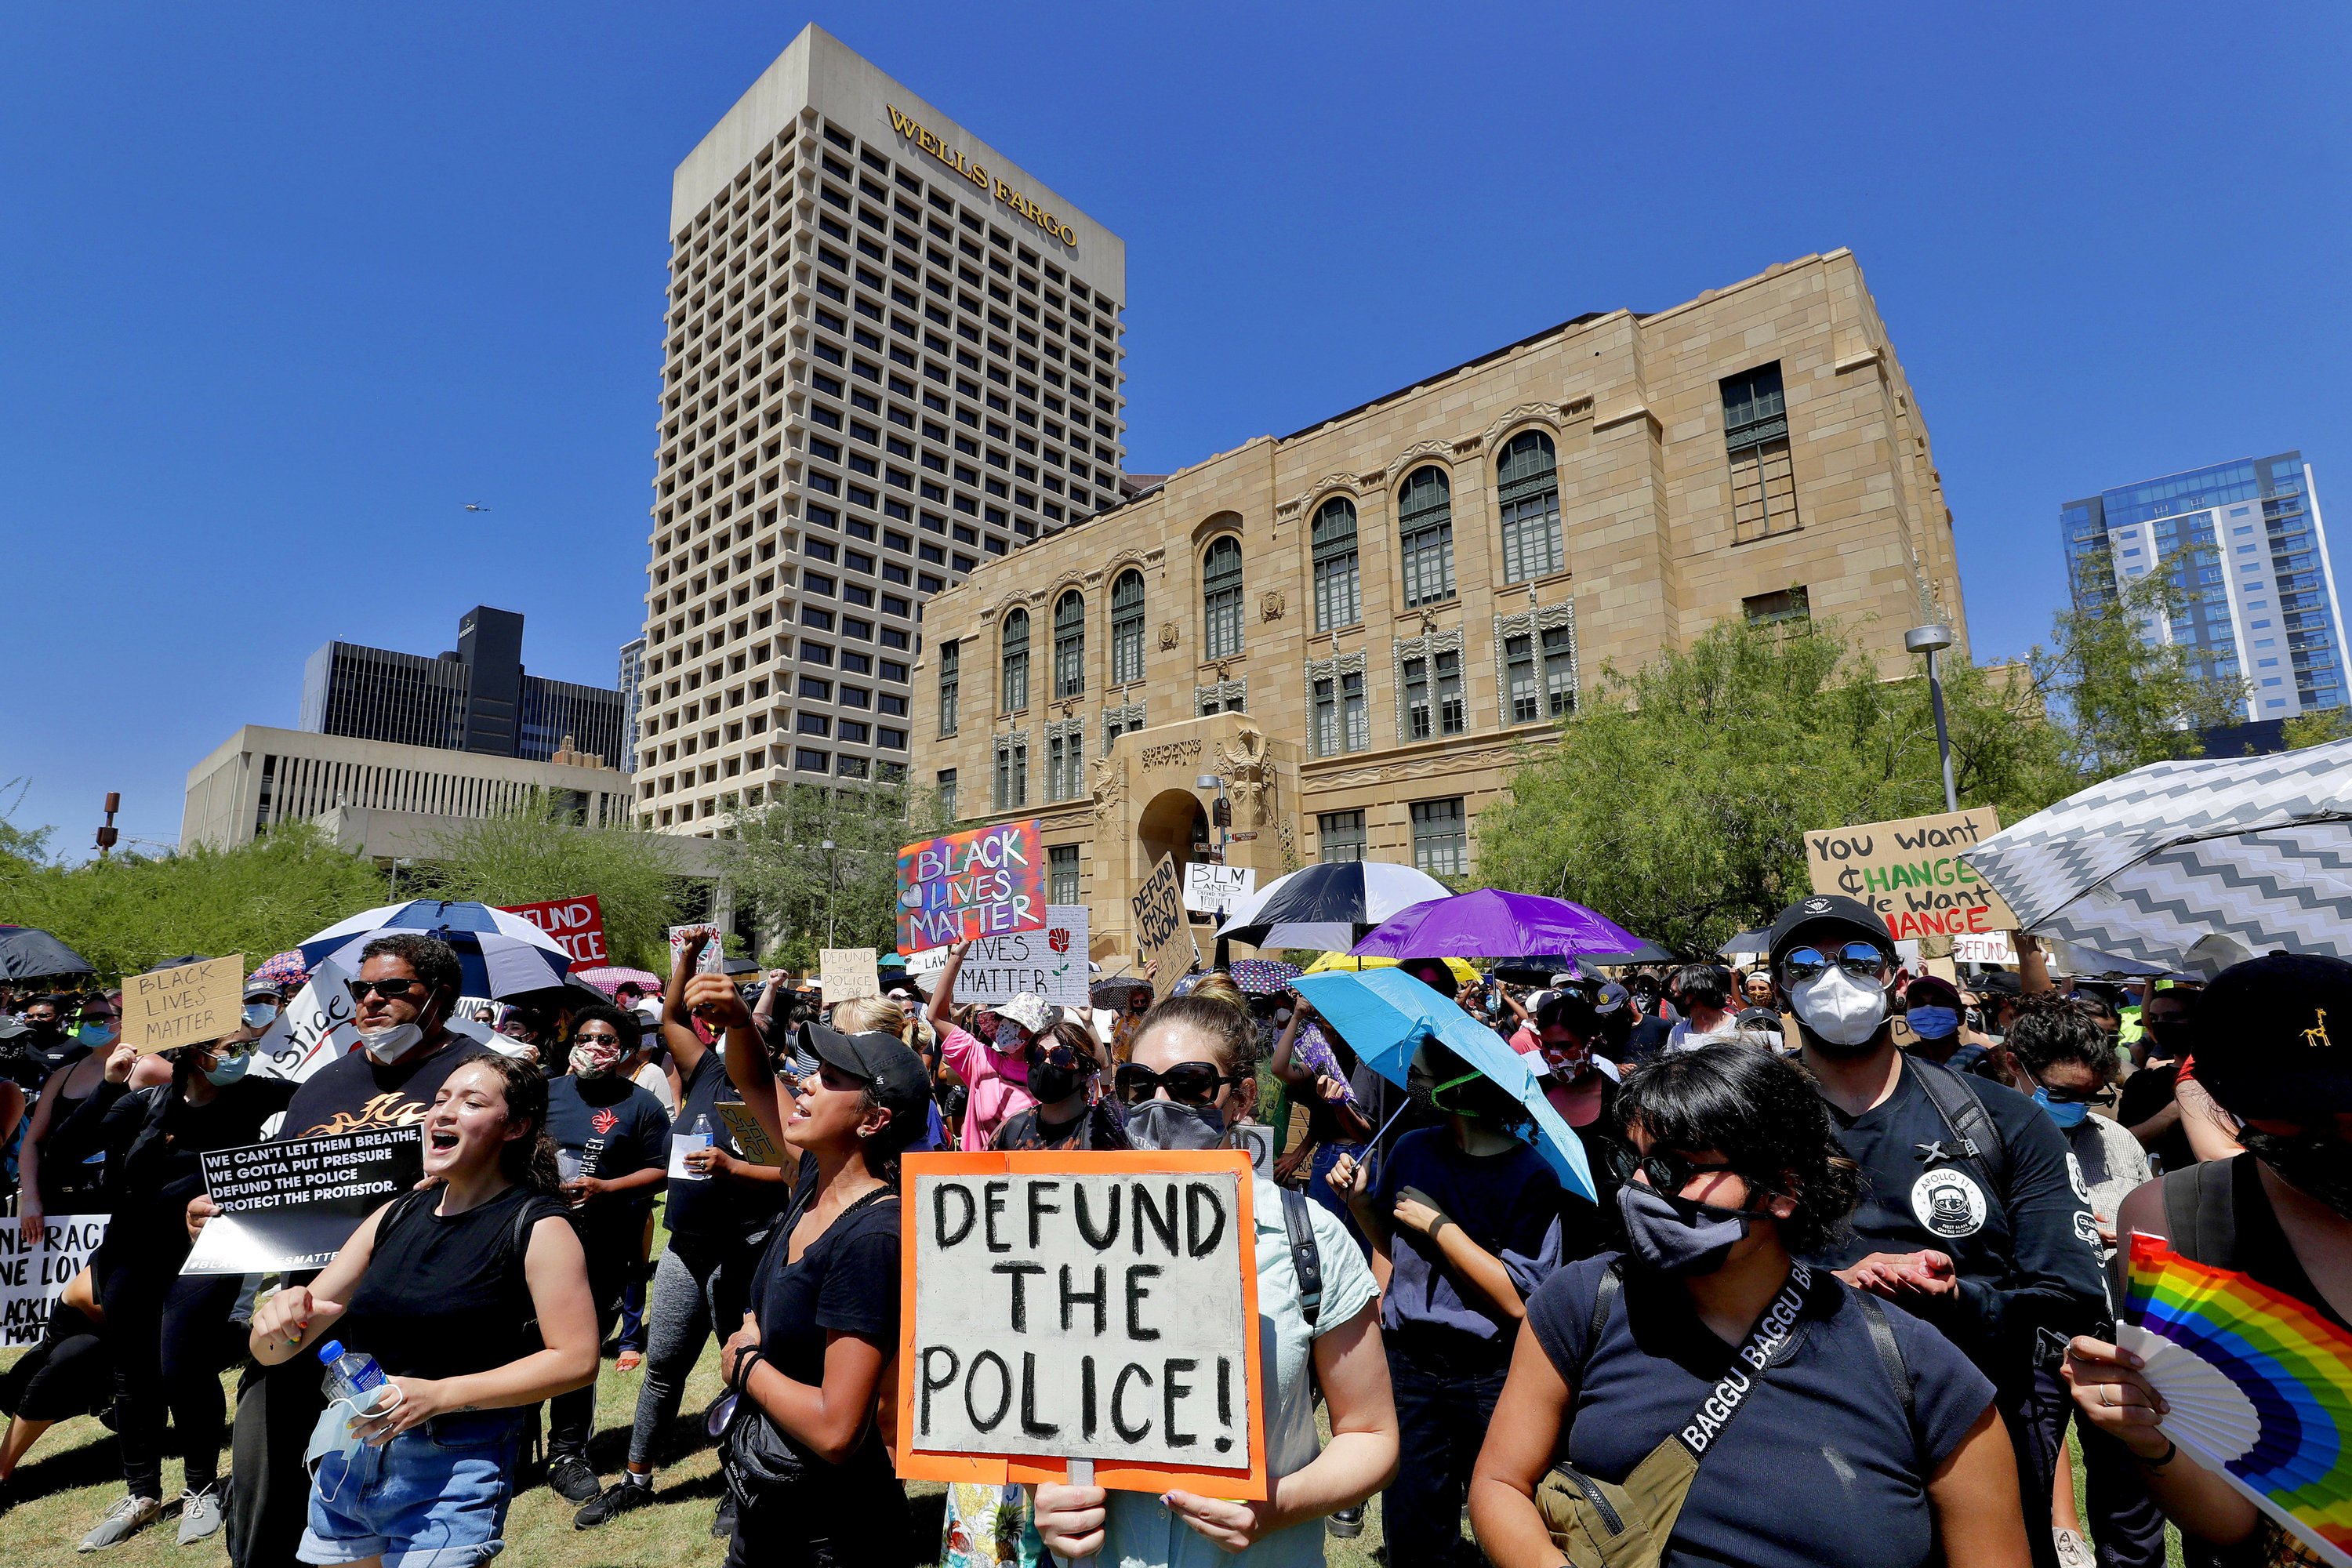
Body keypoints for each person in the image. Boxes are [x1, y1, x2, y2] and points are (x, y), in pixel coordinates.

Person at [1468, 1041, 2028, 1568]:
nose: (1639, 1187)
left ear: (1782, 1191)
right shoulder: (1583, 1303)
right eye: (1631, 1162)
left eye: (1674, 1168)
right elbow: (1499, 1484)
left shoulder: (1922, 1372)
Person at [1770, 895, 2107, 1568]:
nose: (1833, 980)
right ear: (1780, 987)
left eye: (1858, 961)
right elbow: (1693, 1272)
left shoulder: (2002, 1120)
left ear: (1893, 975)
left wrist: (1959, 1301)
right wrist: (1831, 1289)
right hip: (1795, 1432)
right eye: (1806, 964)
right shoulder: (1747, 1124)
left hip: (1982, 1429)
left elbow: (2072, 1301)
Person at [1033, 996, 1399, 1566]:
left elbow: (1372, 1437)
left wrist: (1273, 1507)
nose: (1159, 1103)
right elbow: (1034, 1404)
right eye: (1137, 1083)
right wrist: (1045, 1490)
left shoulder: (1310, 1238)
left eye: (1190, 1084)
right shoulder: (1060, 1231)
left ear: (1242, 1099)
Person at [206, 932, 492, 1568]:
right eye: (360, 989)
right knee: (267, 1470)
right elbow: (288, 1191)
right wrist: (228, 1214)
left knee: (380, 1490)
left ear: (439, 997)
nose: (370, 1001)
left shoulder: (478, 1078)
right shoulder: (323, 1083)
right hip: (307, 1309)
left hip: (411, 1317)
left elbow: (513, 1191)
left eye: (392, 988)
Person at [249, 1054, 597, 1568]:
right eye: (439, 1101)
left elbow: (575, 1360)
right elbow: (280, 1349)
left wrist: (441, 1395)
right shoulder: (394, 1214)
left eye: (472, 1103)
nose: (445, 1113)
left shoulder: (539, 1226)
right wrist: (276, 1320)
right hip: (349, 1457)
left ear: (516, 1127)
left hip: (453, 1470)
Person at [2064, 953, 2352, 1568]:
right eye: (2303, 1115)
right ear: (2220, 1097)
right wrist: (2149, 1437)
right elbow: (2224, 1520)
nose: (2341, 1129)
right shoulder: (2180, 1222)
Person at [683, 974, 921, 1566]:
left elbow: (837, 1430)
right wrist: (740, 1021)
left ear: (873, 1121)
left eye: (832, 1079)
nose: (807, 1082)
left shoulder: (873, 1237)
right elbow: (755, 1078)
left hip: (831, 1533)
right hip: (771, 1503)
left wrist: (745, 1364)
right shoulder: (813, 1177)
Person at [50, 1013, 294, 1549]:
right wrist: (110, 1084)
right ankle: (140, 1493)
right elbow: (65, 1149)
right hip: (131, 1256)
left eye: (246, 1045)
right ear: (195, 1050)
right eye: (232, 1047)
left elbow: (325, 1109)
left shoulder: (254, 1095)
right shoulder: (143, 1104)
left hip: (208, 1254)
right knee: (132, 1373)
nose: (242, 1055)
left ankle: (200, 1489)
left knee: (182, 1364)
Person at [575, 931, 787, 1530]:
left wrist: (732, 1166)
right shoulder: (705, 1072)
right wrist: (687, 959)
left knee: (743, 1369)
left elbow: (787, 1177)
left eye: (748, 1038)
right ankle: (636, 1478)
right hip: (687, 1245)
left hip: (744, 1248)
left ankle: (739, 1483)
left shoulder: (768, 1097)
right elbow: (670, 1018)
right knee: (664, 1361)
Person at [1328, 1037, 1568, 1566]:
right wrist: (1362, 1201)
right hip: (1410, 1368)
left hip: (1489, 1374)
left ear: (1457, 1088)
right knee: (1413, 1526)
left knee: (1501, 1516)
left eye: (1421, 1077)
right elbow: (1395, 1246)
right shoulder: (1413, 1149)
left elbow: (1519, 1301)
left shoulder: (1531, 1176)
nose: (1412, 1087)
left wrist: (1441, 1227)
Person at [2003, 993, 2161, 1568]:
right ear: (2015, 1069)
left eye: (2088, 1096)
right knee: (2025, 1483)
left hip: (2116, 1337)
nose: (2076, 1108)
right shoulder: (1984, 1140)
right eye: (2060, 1094)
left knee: (2132, 1497)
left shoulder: (2115, 1141)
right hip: (2027, 1343)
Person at [541, 1004, 672, 1504]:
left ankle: (568, 1451)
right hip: (534, 1241)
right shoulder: (544, 1094)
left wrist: (607, 1187)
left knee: (578, 1347)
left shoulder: (641, 1106)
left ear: (624, 1051)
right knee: (522, 1343)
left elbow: (663, 1169)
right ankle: (510, 1440)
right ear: (571, 1042)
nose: (596, 1048)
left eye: (608, 1042)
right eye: (587, 1038)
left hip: (601, 1246)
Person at [923, 947, 1041, 1151]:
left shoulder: (1049, 1074)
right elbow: (936, 1017)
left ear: (1035, 1034)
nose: (1008, 1027)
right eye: (1007, 1021)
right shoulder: (982, 1060)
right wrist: (956, 957)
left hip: (1028, 1177)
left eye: (1018, 1023)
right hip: (978, 1177)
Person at [989, 1018, 1127, 1151]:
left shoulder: (1104, 1132)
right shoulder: (1013, 1129)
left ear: (1086, 1070)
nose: (1046, 1064)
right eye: (1037, 1055)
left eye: (1061, 1056)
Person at [2114, 985, 2194, 1173]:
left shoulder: (2226, 1080)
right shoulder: (2143, 1083)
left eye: (2172, 1017)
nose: (2160, 1025)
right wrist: (2174, 1111)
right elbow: (2124, 1145)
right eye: (2154, 1018)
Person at [1663, 964, 1739, 1052]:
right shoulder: (1677, 1032)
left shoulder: (1736, 1029)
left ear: (1695, 992)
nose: (1674, 997)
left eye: (1677, 992)